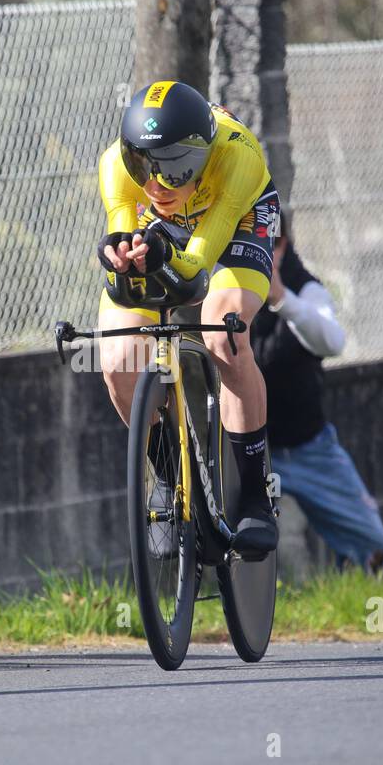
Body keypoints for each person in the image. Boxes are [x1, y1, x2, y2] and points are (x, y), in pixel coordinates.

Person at [95, 80, 279, 559]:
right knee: (117, 359)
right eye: (145, 167)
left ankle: (257, 496)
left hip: (236, 217)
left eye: (176, 169)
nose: (158, 184)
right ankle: (168, 472)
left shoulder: (236, 158)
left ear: (200, 156)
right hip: (166, 228)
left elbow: (196, 268)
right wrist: (122, 257)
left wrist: (160, 256)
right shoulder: (116, 164)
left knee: (225, 333)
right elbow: (122, 236)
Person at [249, 227, 383, 575]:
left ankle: (370, 608)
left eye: (260, 243)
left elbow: (332, 341)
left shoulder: (306, 288)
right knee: (251, 551)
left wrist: (281, 298)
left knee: (377, 552)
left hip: (309, 448)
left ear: (281, 245)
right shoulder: (228, 290)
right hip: (249, 450)